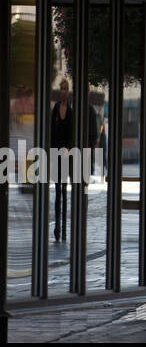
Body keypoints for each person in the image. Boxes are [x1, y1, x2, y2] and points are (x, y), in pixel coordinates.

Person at [50, 79, 74, 242]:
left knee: (64, 192)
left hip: (66, 155)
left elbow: (72, 133)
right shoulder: (55, 109)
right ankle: (57, 226)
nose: (64, 91)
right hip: (56, 154)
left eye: (66, 89)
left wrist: (68, 148)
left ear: (69, 91)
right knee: (57, 192)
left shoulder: (72, 111)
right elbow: (51, 132)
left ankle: (64, 226)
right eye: (62, 88)